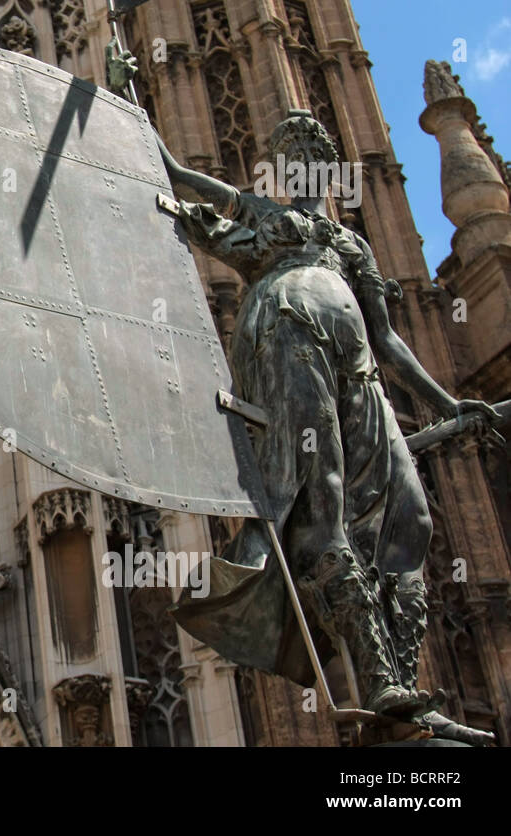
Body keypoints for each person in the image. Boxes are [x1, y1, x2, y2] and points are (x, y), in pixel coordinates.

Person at [156, 109, 497, 736]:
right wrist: (128, 101)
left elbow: (388, 339)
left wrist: (450, 406)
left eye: (312, 151)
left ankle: (404, 682)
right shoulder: (263, 213)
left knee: (410, 515)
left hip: (356, 360)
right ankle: (381, 686)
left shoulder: (352, 244)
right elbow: (179, 176)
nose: (301, 161)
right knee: (324, 497)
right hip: (287, 329)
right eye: (291, 153)